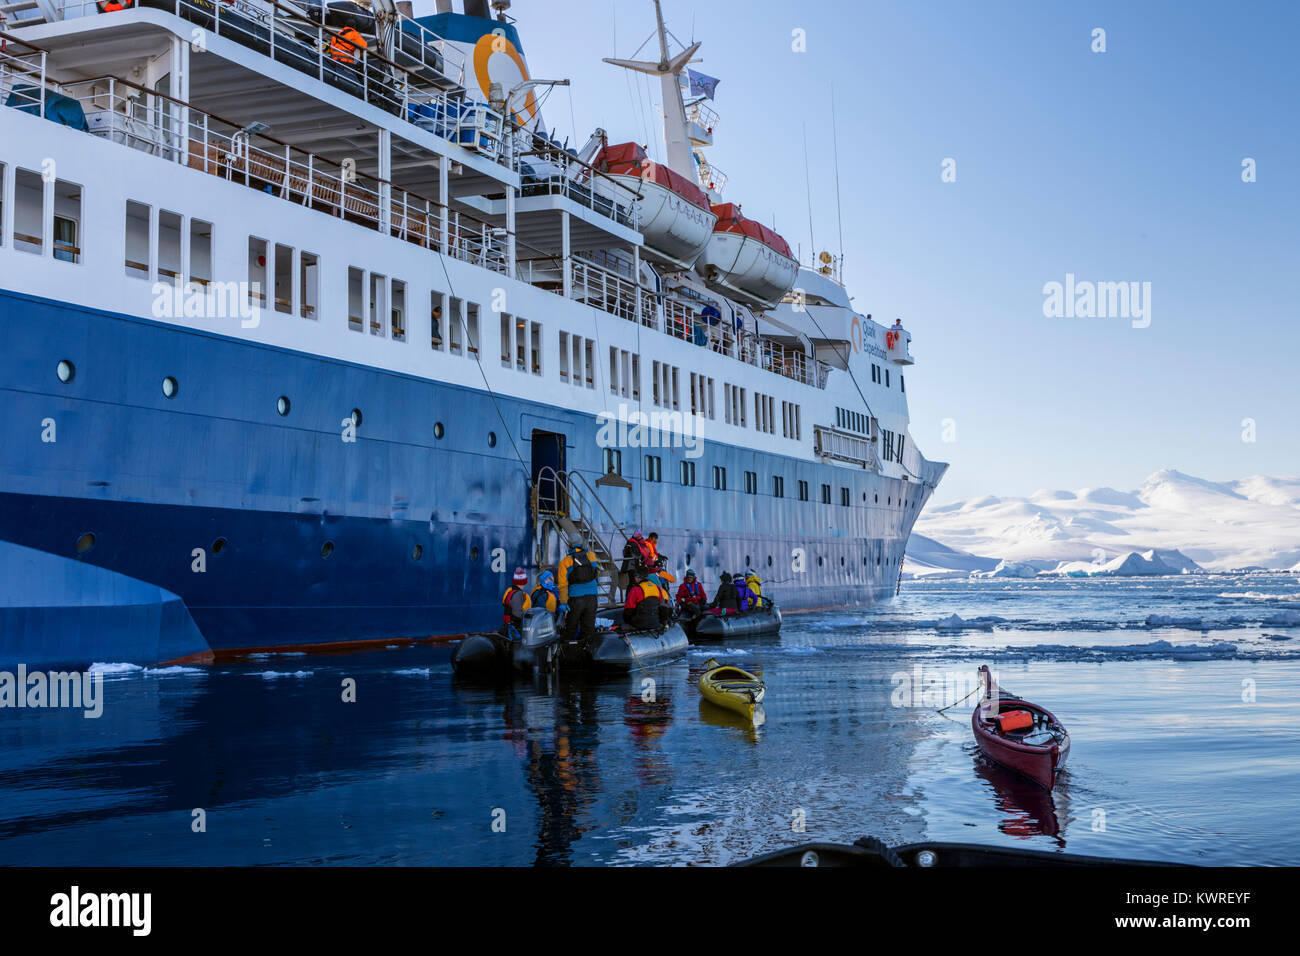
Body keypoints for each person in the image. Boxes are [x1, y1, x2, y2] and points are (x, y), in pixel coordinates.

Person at [557, 538, 600, 641]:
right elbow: (595, 572)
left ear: (570, 546)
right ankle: (587, 651)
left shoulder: (565, 562)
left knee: (571, 627)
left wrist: (563, 602)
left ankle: (569, 651)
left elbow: (563, 585)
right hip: (592, 597)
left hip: (576, 599)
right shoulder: (591, 556)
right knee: (588, 628)